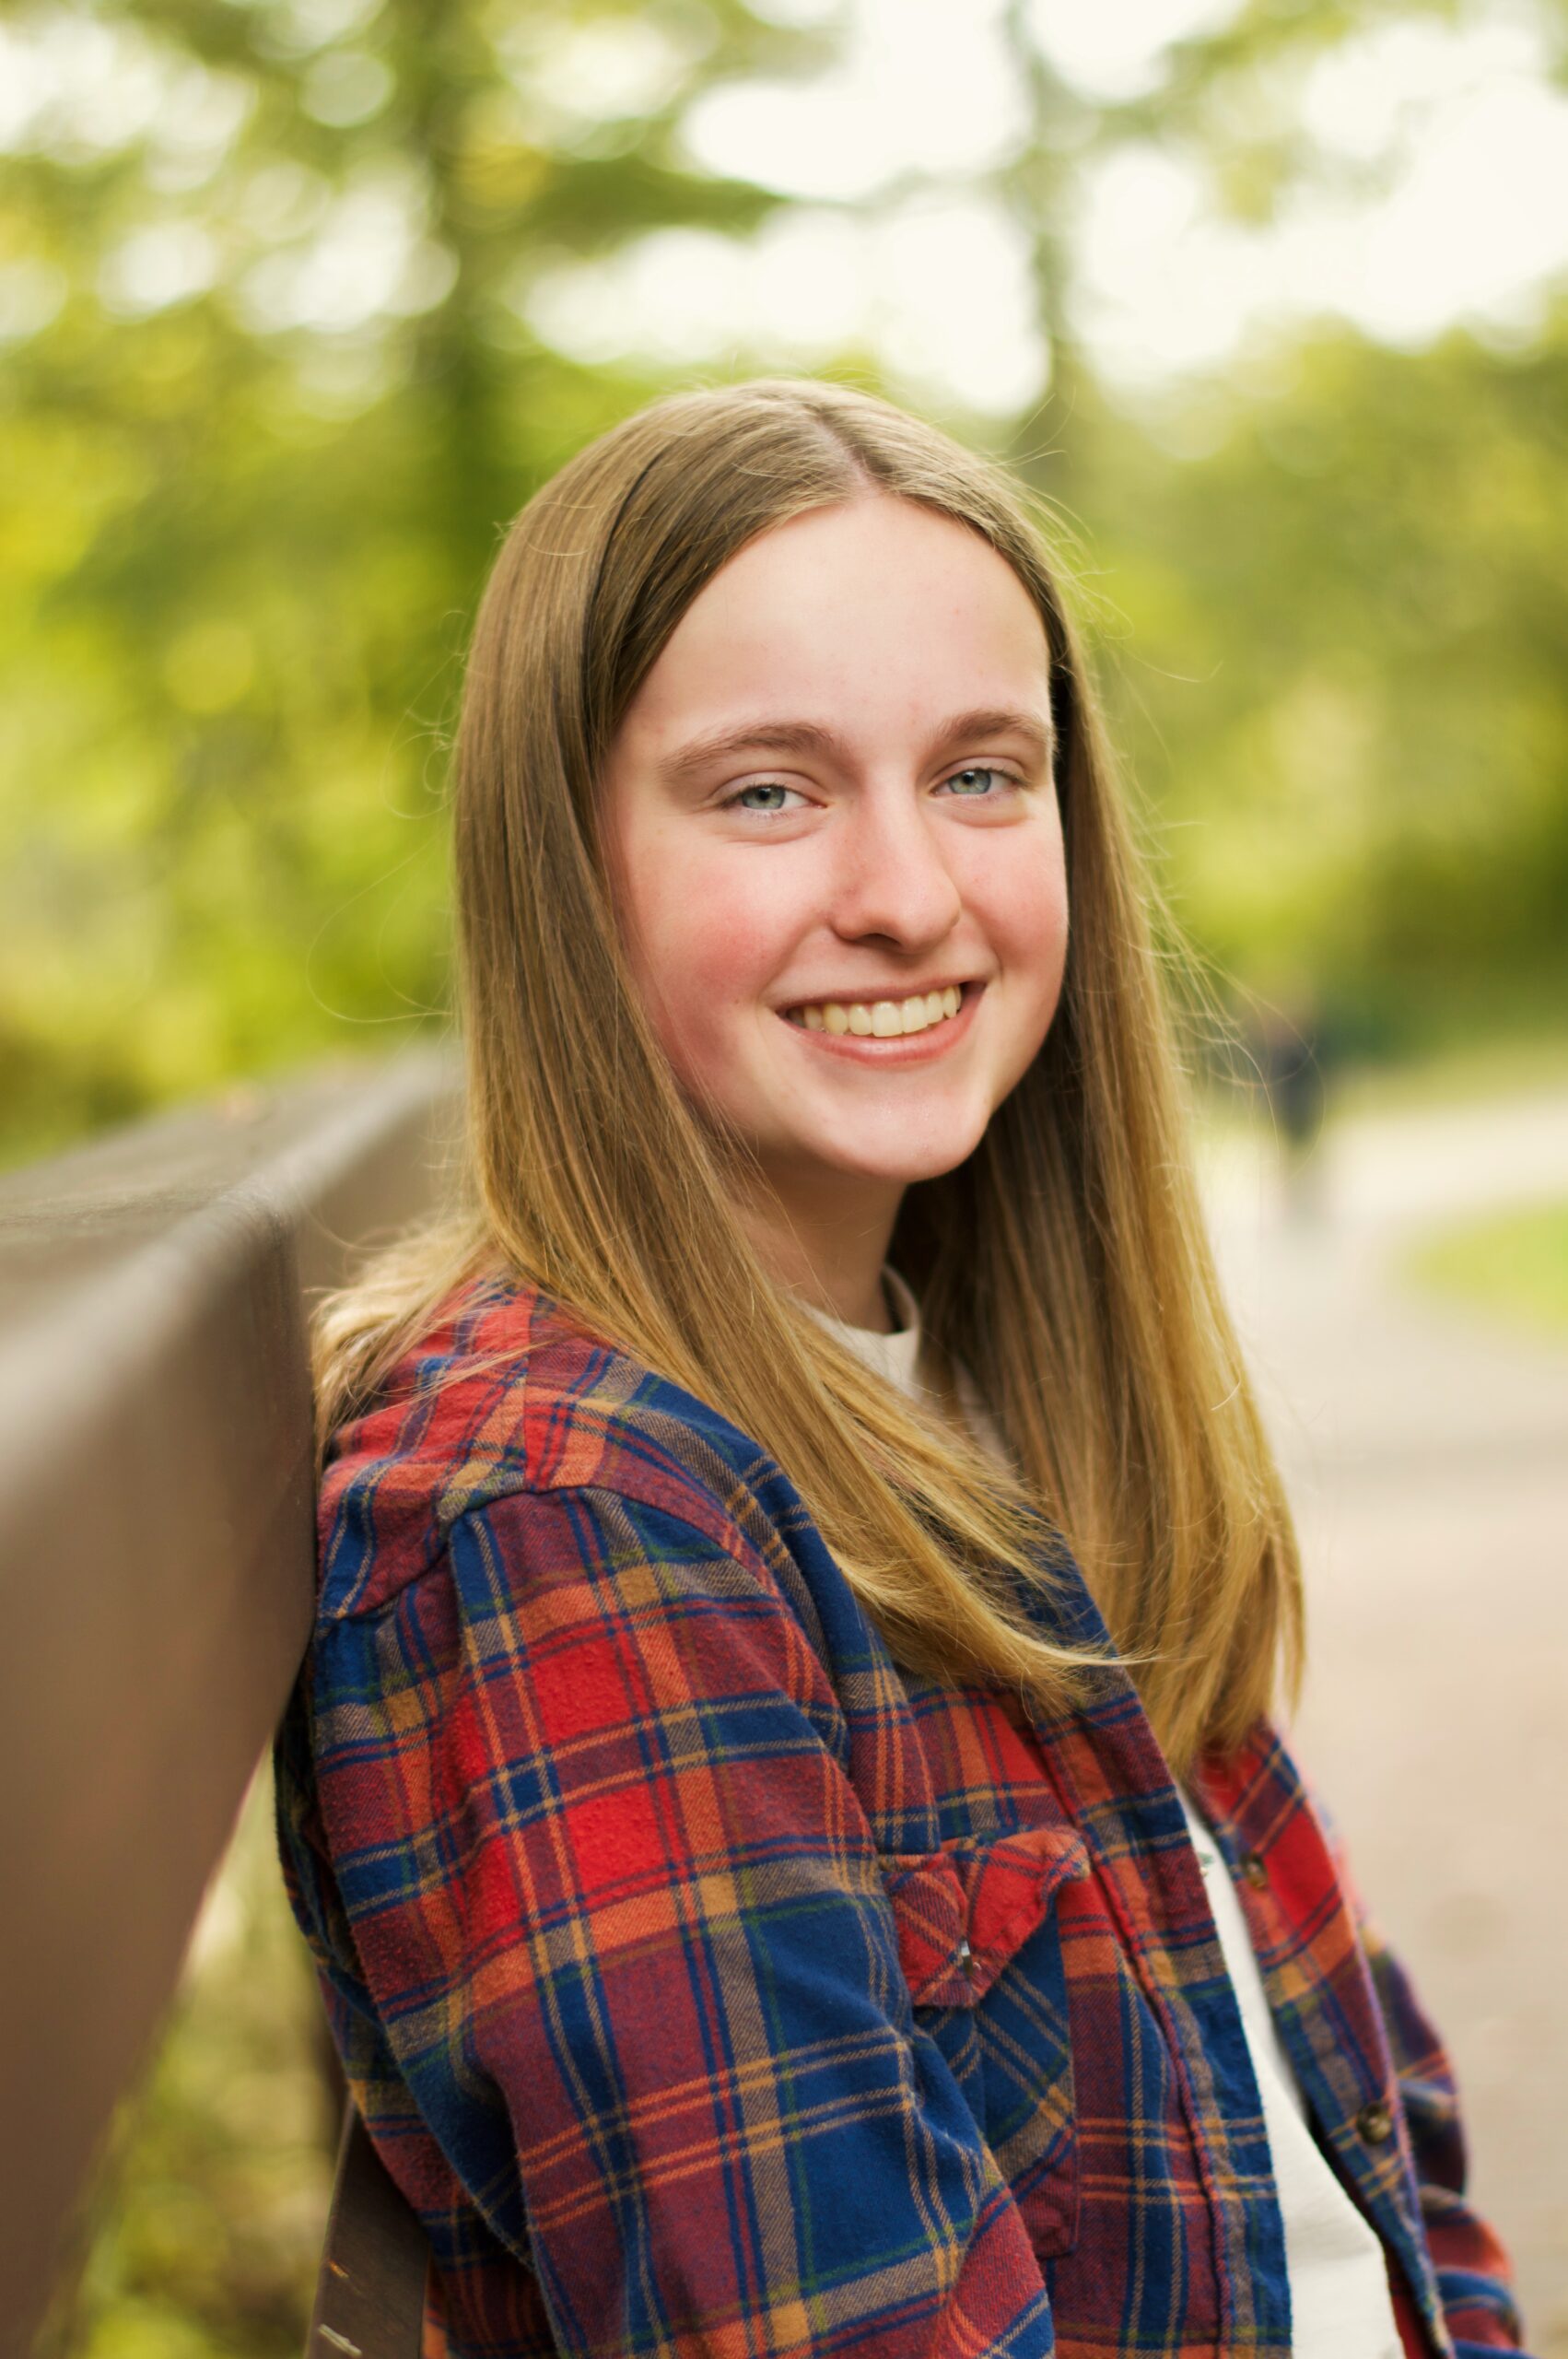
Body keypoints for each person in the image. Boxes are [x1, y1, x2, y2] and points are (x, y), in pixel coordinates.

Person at [273, 379, 1530, 2359]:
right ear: (564, 862)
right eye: (766, 789)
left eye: (978, 772)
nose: (909, 892)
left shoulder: (1003, 1382)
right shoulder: (575, 1519)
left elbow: (1374, 2131)